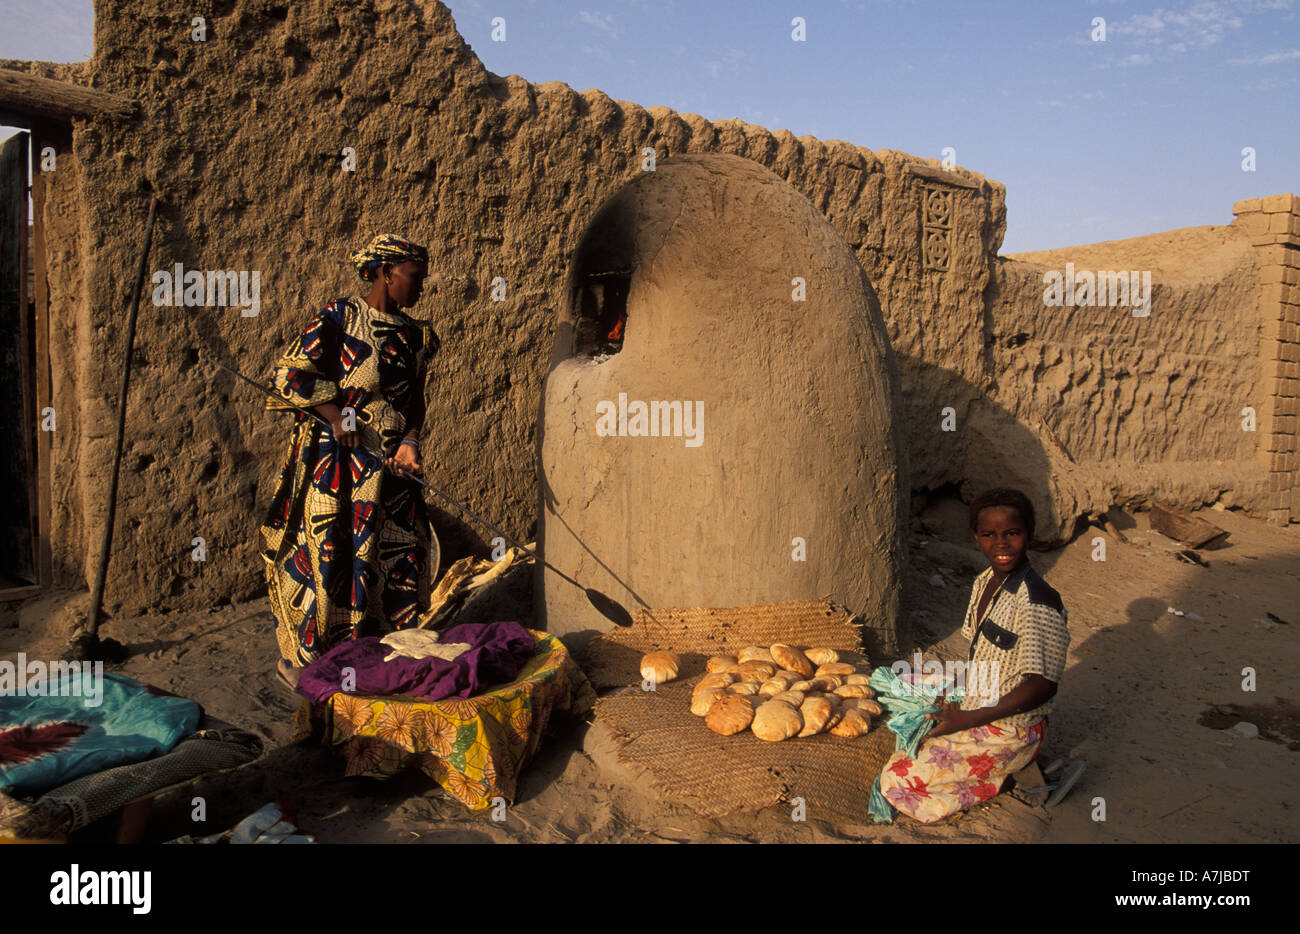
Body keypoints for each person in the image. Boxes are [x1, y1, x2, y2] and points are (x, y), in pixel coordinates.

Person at [259, 234, 439, 690]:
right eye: (413, 278)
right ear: (383, 273)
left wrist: (410, 441)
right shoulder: (340, 319)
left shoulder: (416, 336)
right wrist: (336, 414)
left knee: (393, 555)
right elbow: (289, 373)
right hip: (337, 465)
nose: (420, 288)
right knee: (334, 557)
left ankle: (378, 660)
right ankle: (314, 662)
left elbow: (415, 400)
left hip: (393, 472)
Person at [878, 488, 1071, 822]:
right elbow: (981, 655)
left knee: (897, 781)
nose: (1001, 544)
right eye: (989, 534)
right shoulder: (985, 582)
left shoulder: (1037, 601)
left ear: (1029, 533)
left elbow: (1043, 685)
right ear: (976, 537)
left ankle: (1013, 775)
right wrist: (956, 692)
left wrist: (969, 718)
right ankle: (998, 764)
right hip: (980, 702)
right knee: (902, 698)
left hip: (1010, 726)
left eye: (1012, 533)